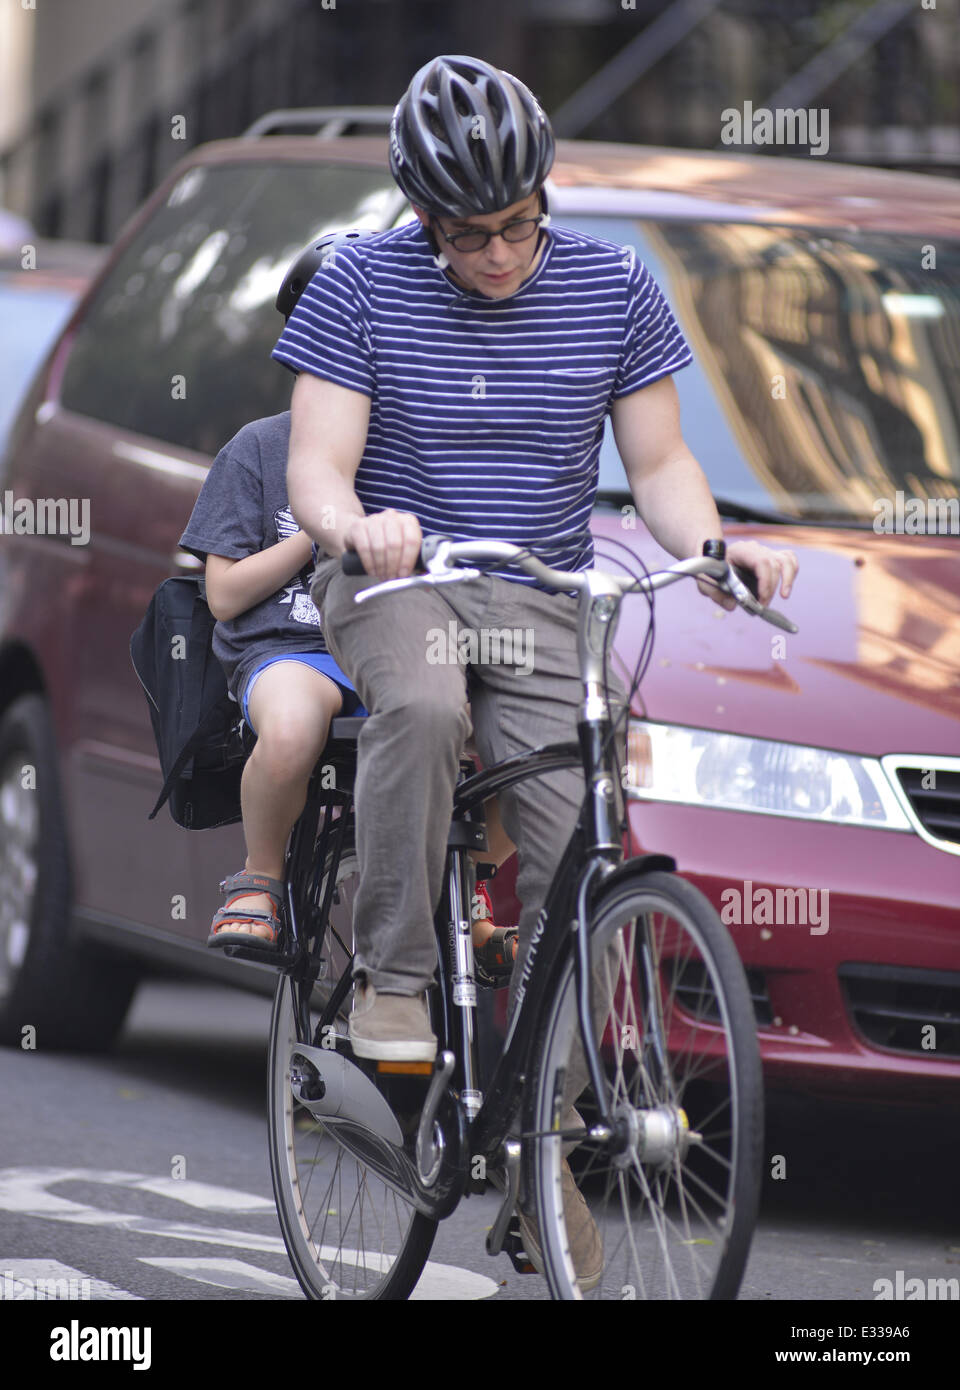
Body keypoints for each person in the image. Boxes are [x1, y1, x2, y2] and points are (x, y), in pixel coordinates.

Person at [278, 56, 797, 1280]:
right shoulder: (358, 281)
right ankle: (396, 987)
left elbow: (663, 466)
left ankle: (540, 1140)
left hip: (541, 595)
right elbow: (315, 464)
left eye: (520, 225)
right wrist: (357, 524)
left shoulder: (617, 286)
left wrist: (716, 548)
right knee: (417, 698)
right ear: (421, 214)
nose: (503, 254)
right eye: (471, 235)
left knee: (581, 850)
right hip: (401, 579)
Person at [178, 228, 517, 963]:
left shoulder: (423, 442)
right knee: (294, 730)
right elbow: (227, 596)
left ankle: (472, 887)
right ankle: (260, 879)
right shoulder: (259, 449)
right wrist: (323, 534)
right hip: (293, 651)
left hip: (399, 642)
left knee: (509, 725)